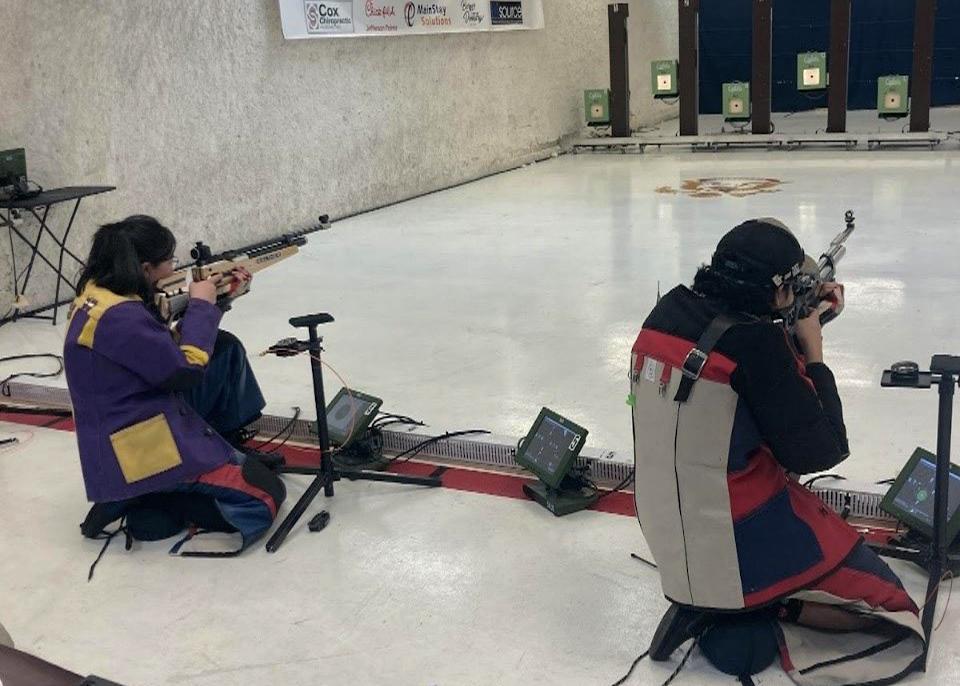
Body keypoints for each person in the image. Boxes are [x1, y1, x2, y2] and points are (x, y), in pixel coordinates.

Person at [630, 219, 923, 684]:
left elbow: (726, 383)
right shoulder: (760, 346)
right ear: (778, 288)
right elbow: (820, 450)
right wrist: (813, 350)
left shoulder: (666, 311)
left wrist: (784, 332)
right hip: (738, 530)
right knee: (890, 605)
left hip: (661, 517)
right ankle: (776, 601)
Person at [64, 215, 285, 559]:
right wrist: (200, 304)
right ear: (146, 267)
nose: (174, 267)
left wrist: (221, 299)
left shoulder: (103, 293)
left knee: (223, 348)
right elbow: (185, 370)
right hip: (141, 444)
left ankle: (176, 481)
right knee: (266, 496)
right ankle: (154, 496)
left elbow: (155, 345)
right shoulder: (121, 318)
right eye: (169, 261)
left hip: (127, 415)